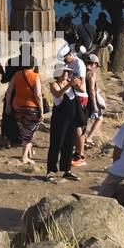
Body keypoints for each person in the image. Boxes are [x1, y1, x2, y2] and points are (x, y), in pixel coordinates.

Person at [46, 52, 85, 182]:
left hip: (72, 120)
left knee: (69, 145)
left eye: (68, 72)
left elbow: (82, 91)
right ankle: (50, 170)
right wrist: (69, 85)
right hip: (59, 120)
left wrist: (78, 84)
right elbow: (57, 94)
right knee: (56, 144)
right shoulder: (54, 84)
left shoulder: (69, 82)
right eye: (65, 72)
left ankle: (66, 169)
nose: (67, 74)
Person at [4, 60, 43, 167]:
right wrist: (42, 110)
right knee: (29, 132)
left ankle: (29, 152)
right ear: (33, 66)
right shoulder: (35, 76)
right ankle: (24, 157)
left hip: (17, 105)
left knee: (24, 130)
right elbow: (38, 95)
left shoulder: (17, 74)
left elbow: (9, 90)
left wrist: (8, 105)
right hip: (31, 107)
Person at [84, 53, 106, 149]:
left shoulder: (82, 71)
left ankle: (82, 138)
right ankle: (88, 138)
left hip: (82, 98)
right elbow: (92, 90)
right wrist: (95, 106)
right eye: (96, 65)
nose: (96, 67)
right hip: (90, 99)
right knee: (100, 118)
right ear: (93, 64)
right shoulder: (91, 73)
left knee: (85, 120)